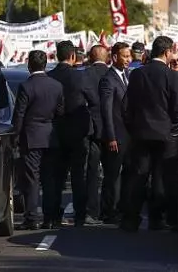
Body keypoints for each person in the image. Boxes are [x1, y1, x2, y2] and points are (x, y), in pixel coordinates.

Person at [121, 36, 178, 232]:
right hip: (165, 135)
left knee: (139, 176)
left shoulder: (137, 75)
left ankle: (131, 219)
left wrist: (133, 128)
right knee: (162, 177)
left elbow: (126, 106)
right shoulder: (173, 77)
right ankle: (157, 219)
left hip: (141, 133)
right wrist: (177, 128)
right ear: (167, 53)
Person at [12, 50, 64, 230]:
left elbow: (19, 115)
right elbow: (60, 112)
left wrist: (15, 137)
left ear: (29, 65)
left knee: (31, 179)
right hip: (50, 136)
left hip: (31, 137)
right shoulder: (56, 86)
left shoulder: (26, 86)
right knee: (49, 179)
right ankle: (49, 218)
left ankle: (32, 217)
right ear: (45, 64)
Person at [49, 40, 100, 227]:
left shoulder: (49, 76)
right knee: (79, 175)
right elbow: (94, 101)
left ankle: (53, 214)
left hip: (56, 132)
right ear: (72, 57)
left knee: (57, 175)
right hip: (79, 132)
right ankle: (80, 214)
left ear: (56, 56)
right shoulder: (80, 77)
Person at [99, 42, 132, 224]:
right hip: (115, 136)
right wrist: (111, 136)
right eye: (124, 56)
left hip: (128, 136)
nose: (128, 59)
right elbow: (107, 110)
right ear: (114, 57)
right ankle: (108, 211)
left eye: (129, 56)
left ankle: (122, 208)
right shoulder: (108, 79)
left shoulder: (126, 76)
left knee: (127, 174)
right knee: (112, 176)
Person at [81, 45, 109, 223]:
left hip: (92, 130)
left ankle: (92, 210)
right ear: (107, 58)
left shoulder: (84, 75)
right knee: (113, 173)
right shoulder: (114, 74)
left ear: (90, 57)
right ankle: (110, 210)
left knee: (92, 172)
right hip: (113, 129)